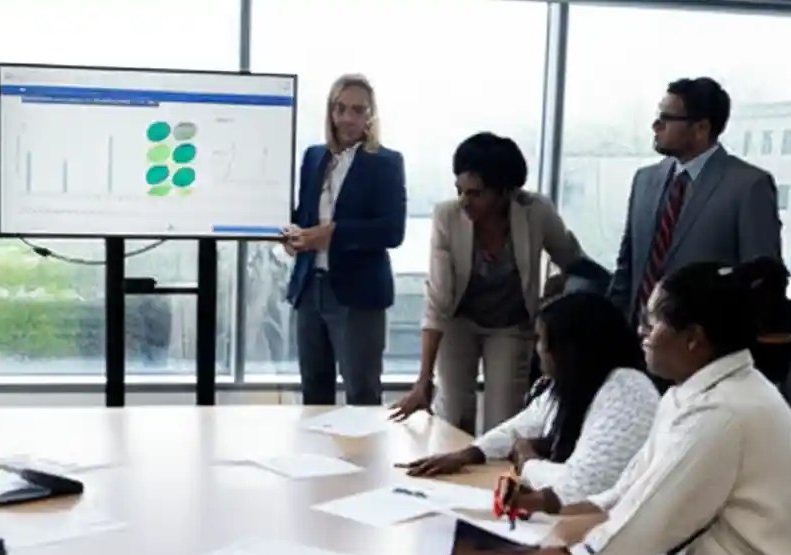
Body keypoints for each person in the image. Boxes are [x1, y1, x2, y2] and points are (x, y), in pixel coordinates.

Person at [466, 260, 791, 555]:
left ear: (693, 338)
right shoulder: (690, 394)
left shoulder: (724, 413)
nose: (641, 331)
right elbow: (625, 496)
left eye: (653, 321)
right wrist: (543, 509)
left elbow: (634, 534)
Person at [389, 133, 584, 433]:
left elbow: (573, 259)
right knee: (452, 416)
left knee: (503, 421)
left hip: (510, 325)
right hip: (459, 322)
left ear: (504, 191)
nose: (465, 201)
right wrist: (423, 379)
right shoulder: (447, 216)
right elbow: (438, 301)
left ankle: (493, 479)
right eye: (460, 191)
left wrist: (556, 296)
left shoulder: (536, 212)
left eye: (476, 193)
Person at [396, 292, 658, 511]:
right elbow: (522, 426)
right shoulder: (583, 382)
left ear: (570, 349)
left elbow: (579, 489)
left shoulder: (628, 390)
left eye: (542, 341)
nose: (538, 350)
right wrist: (467, 455)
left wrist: (527, 461)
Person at [607, 77, 783, 326]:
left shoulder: (748, 186)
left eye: (667, 118)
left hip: (702, 347)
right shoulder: (645, 180)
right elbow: (627, 268)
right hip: (637, 342)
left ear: (701, 128)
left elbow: (762, 280)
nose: (656, 125)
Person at [282, 74, 407, 406]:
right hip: (310, 289)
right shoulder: (313, 157)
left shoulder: (386, 162)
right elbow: (304, 215)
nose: (347, 118)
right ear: (330, 112)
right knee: (314, 392)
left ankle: (362, 460)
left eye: (357, 110)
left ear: (370, 115)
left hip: (358, 294)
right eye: (340, 109)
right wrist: (294, 235)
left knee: (362, 393)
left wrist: (333, 233)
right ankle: (315, 459)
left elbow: (392, 231)